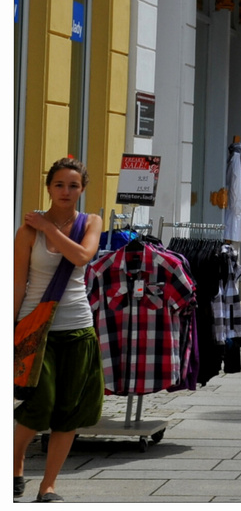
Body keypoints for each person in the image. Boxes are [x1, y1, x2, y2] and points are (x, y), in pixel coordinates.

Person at [14, 158, 104, 502]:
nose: (66, 192)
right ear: (48, 187)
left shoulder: (90, 223)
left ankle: (48, 485)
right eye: (59, 185)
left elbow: (82, 257)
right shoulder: (26, 231)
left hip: (78, 328)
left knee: (69, 410)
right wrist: (12, 326)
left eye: (73, 186)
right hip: (37, 330)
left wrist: (50, 228)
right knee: (39, 405)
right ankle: (16, 458)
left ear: (82, 189)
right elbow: (18, 282)